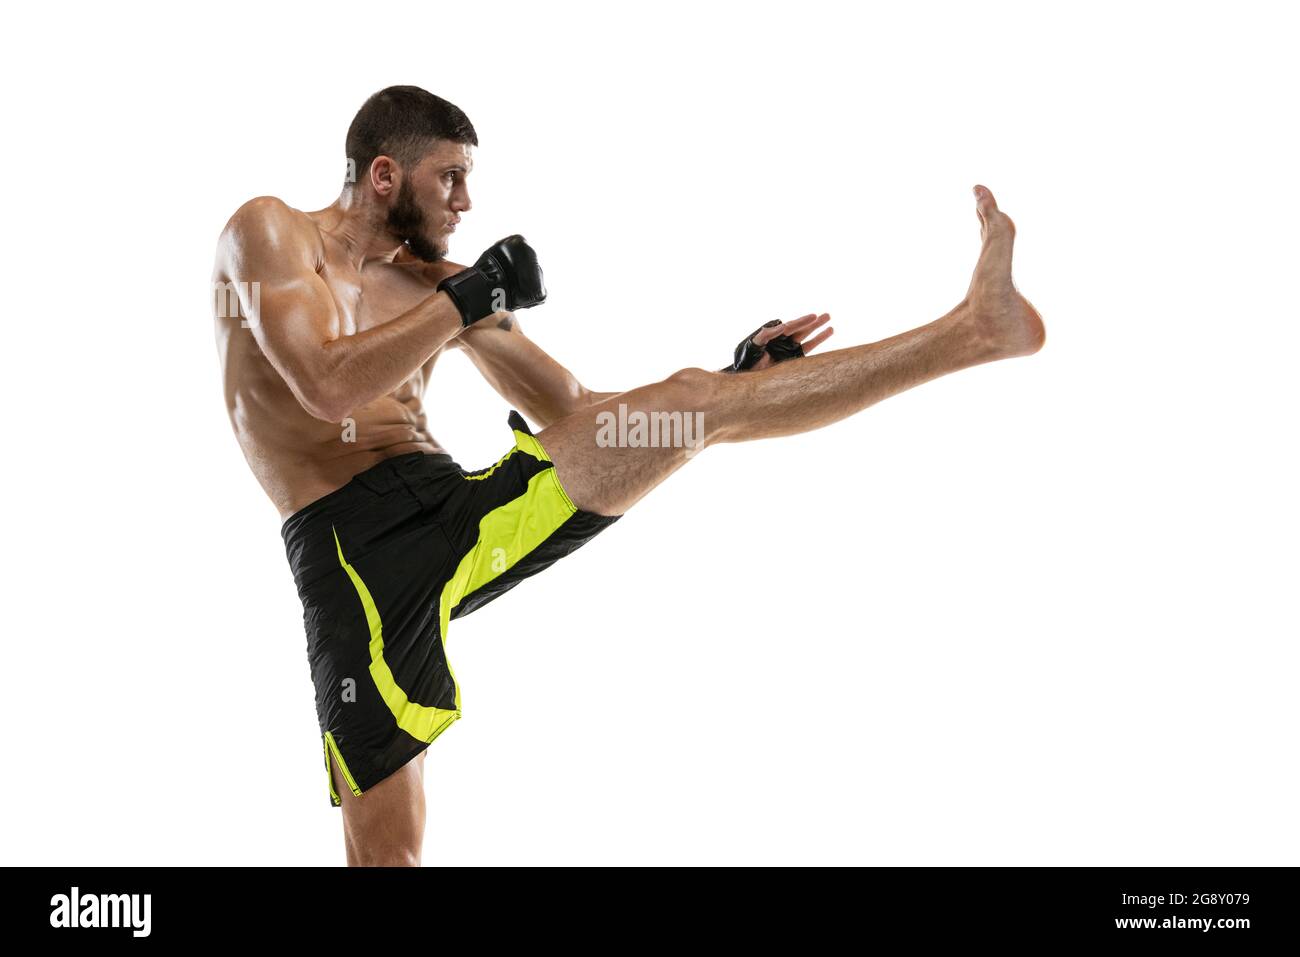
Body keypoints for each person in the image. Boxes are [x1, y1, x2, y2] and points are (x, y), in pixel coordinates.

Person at [212, 85, 1044, 866]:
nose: (465, 203)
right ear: (385, 174)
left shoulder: (436, 287)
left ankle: (973, 329)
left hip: (456, 510)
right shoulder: (271, 231)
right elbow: (325, 385)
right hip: (355, 553)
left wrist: (737, 374)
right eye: (451, 178)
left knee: (693, 405)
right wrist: (466, 301)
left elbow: (569, 404)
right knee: (388, 855)